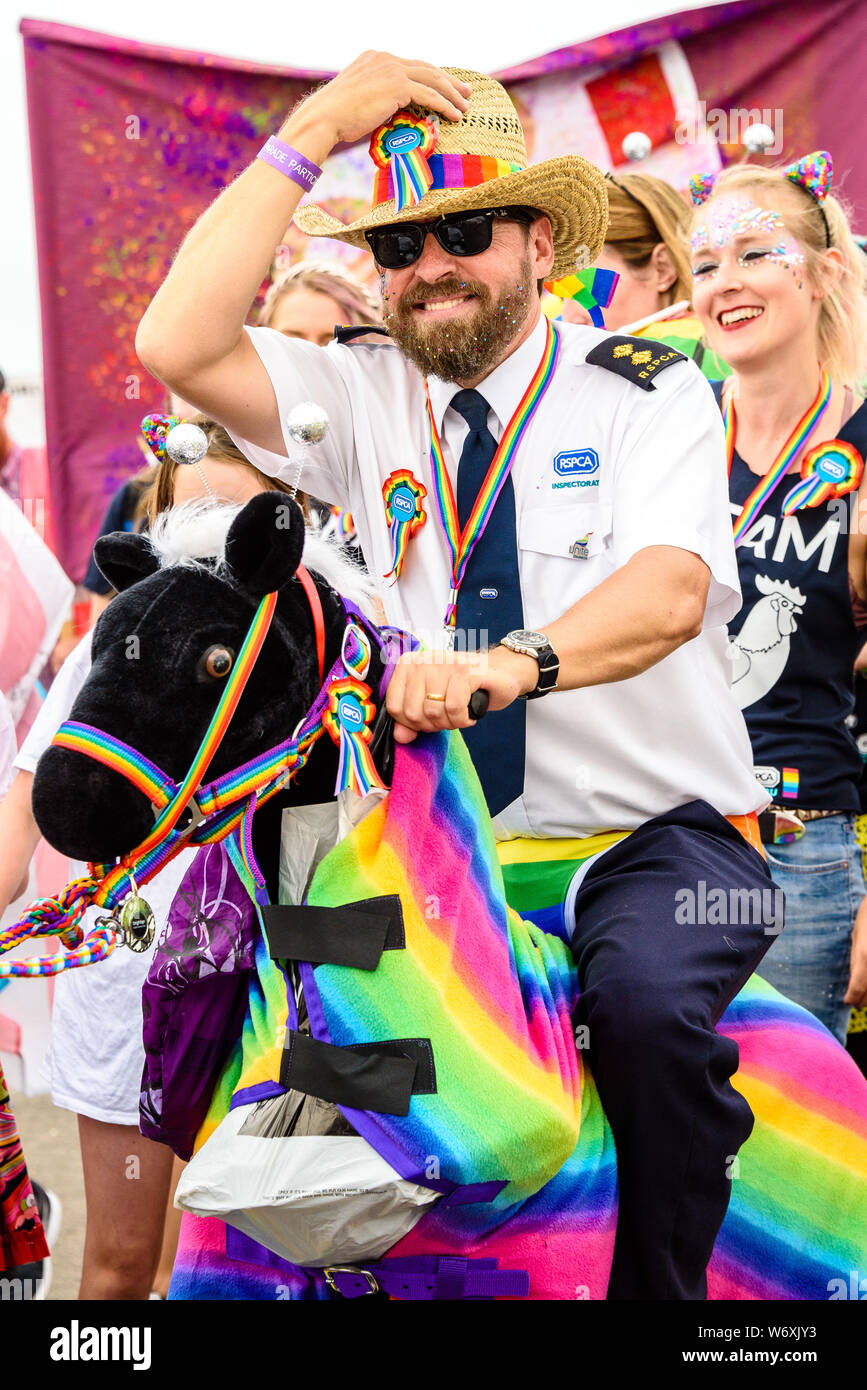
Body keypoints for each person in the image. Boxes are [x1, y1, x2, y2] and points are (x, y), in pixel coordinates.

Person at [136, 55, 780, 1301]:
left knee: (643, 1014)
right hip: (434, 844)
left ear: (542, 244)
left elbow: (668, 593)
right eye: (400, 246)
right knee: (301, 1034)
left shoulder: (648, 396)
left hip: (647, 841)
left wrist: (505, 666)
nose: (428, 266)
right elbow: (175, 338)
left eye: (464, 232)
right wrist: (317, 125)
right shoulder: (357, 395)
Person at [0, 421, 303, 1298]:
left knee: (224, 1264)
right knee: (125, 1265)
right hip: (130, 987)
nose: (208, 539)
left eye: (234, 512)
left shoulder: (332, 669)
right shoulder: (105, 664)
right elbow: (22, 816)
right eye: (187, 511)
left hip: (275, 997)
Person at [690, 156, 867, 1044]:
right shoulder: (664, 432)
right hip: (648, 845)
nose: (725, 283)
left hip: (798, 855)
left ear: (825, 269)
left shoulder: (865, 450)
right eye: (705, 264)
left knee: (787, 1157)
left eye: (756, 254)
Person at [560, 172, 730, 379]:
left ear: (663, 268)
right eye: (562, 294)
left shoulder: (715, 357)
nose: (570, 317)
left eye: (590, 287)